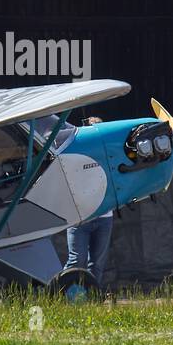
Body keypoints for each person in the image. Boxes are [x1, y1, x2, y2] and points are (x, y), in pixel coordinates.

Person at [64, 117, 113, 283]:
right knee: (76, 260)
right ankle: (62, 294)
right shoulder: (74, 153)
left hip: (104, 217)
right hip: (79, 218)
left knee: (97, 263)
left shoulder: (110, 153)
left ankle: (92, 297)